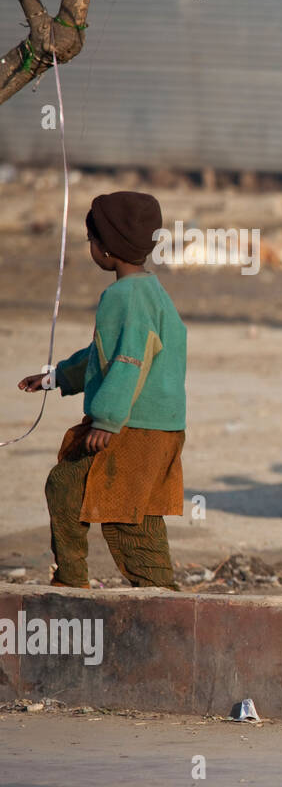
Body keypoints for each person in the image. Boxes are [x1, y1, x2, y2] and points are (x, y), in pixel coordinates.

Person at [18, 191, 187, 589]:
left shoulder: (123, 296)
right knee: (136, 514)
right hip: (158, 428)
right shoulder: (150, 291)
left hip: (132, 428)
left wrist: (108, 421)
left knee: (82, 495)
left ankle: (79, 583)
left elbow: (129, 360)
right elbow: (103, 356)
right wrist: (57, 376)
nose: (90, 248)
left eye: (90, 240)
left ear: (106, 248)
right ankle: (163, 600)